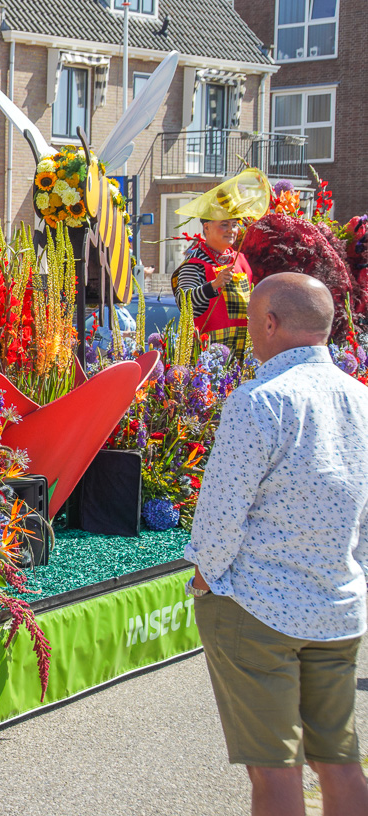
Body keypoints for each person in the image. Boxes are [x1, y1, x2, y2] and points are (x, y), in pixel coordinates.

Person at [185, 273, 368, 816]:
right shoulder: (360, 398)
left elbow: (221, 510)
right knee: (339, 759)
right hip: (337, 602)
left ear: (269, 323)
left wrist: (205, 578)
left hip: (256, 604)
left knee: (274, 771)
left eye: (250, 319)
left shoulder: (259, 400)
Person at [171, 168, 271, 361]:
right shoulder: (195, 264)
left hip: (244, 353)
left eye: (235, 224)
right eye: (224, 224)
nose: (231, 230)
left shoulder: (240, 259)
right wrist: (213, 286)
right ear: (206, 228)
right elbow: (185, 303)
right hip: (209, 357)